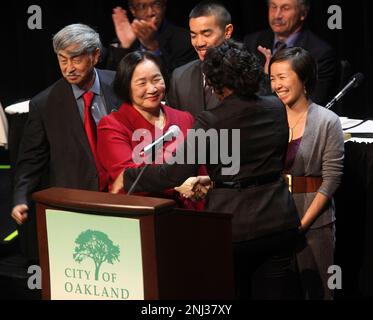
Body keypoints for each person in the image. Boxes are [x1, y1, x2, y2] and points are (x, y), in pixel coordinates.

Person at [112, 40, 301, 299]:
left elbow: (175, 173)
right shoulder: (276, 107)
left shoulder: (211, 120)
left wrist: (130, 175)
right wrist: (214, 178)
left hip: (235, 227)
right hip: (279, 220)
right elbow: (262, 163)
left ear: (214, 82)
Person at [11, 24, 122, 260]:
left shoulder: (121, 85)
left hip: (122, 197)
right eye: (62, 59)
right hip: (74, 205)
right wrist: (20, 198)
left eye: (75, 59)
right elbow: (31, 159)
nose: (68, 68)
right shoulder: (44, 104)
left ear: (95, 56)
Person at [269, 47, 344, 299]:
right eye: (272, 78)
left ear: (303, 78)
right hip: (275, 220)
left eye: (282, 77)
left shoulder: (327, 120)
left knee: (320, 291)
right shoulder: (270, 118)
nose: (276, 85)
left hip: (315, 219)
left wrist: (302, 225)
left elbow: (332, 178)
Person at [97, 51, 205, 208]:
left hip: (189, 214)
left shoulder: (184, 118)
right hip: (141, 215)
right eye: (142, 83)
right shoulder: (112, 125)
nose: (152, 89)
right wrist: (177, 186)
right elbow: (128, 176)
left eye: (156, 79)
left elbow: (200, 168)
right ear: (126, 86)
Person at [244, 0, 337, 106]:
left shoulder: (319, 53)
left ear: (303, 14)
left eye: (285, 8)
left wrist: (269, 78)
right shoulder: (251, 42)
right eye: (273, 7)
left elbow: (309, 103)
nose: (277, 15)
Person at [166, 1, 234, 117]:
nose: (199, 43)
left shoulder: (244, 75)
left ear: (227, 32)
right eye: (193, 35)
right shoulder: (179, 77)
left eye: (206, 34)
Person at [105, 0, 196, 75]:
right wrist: (124, 47)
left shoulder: (185, 39)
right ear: (133, 10)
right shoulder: (123, 39)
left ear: (164, 6)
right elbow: (111, 80)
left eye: (156, 4)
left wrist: (153, 48)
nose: (150, 12)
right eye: (142, 7)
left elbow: (178, 82)